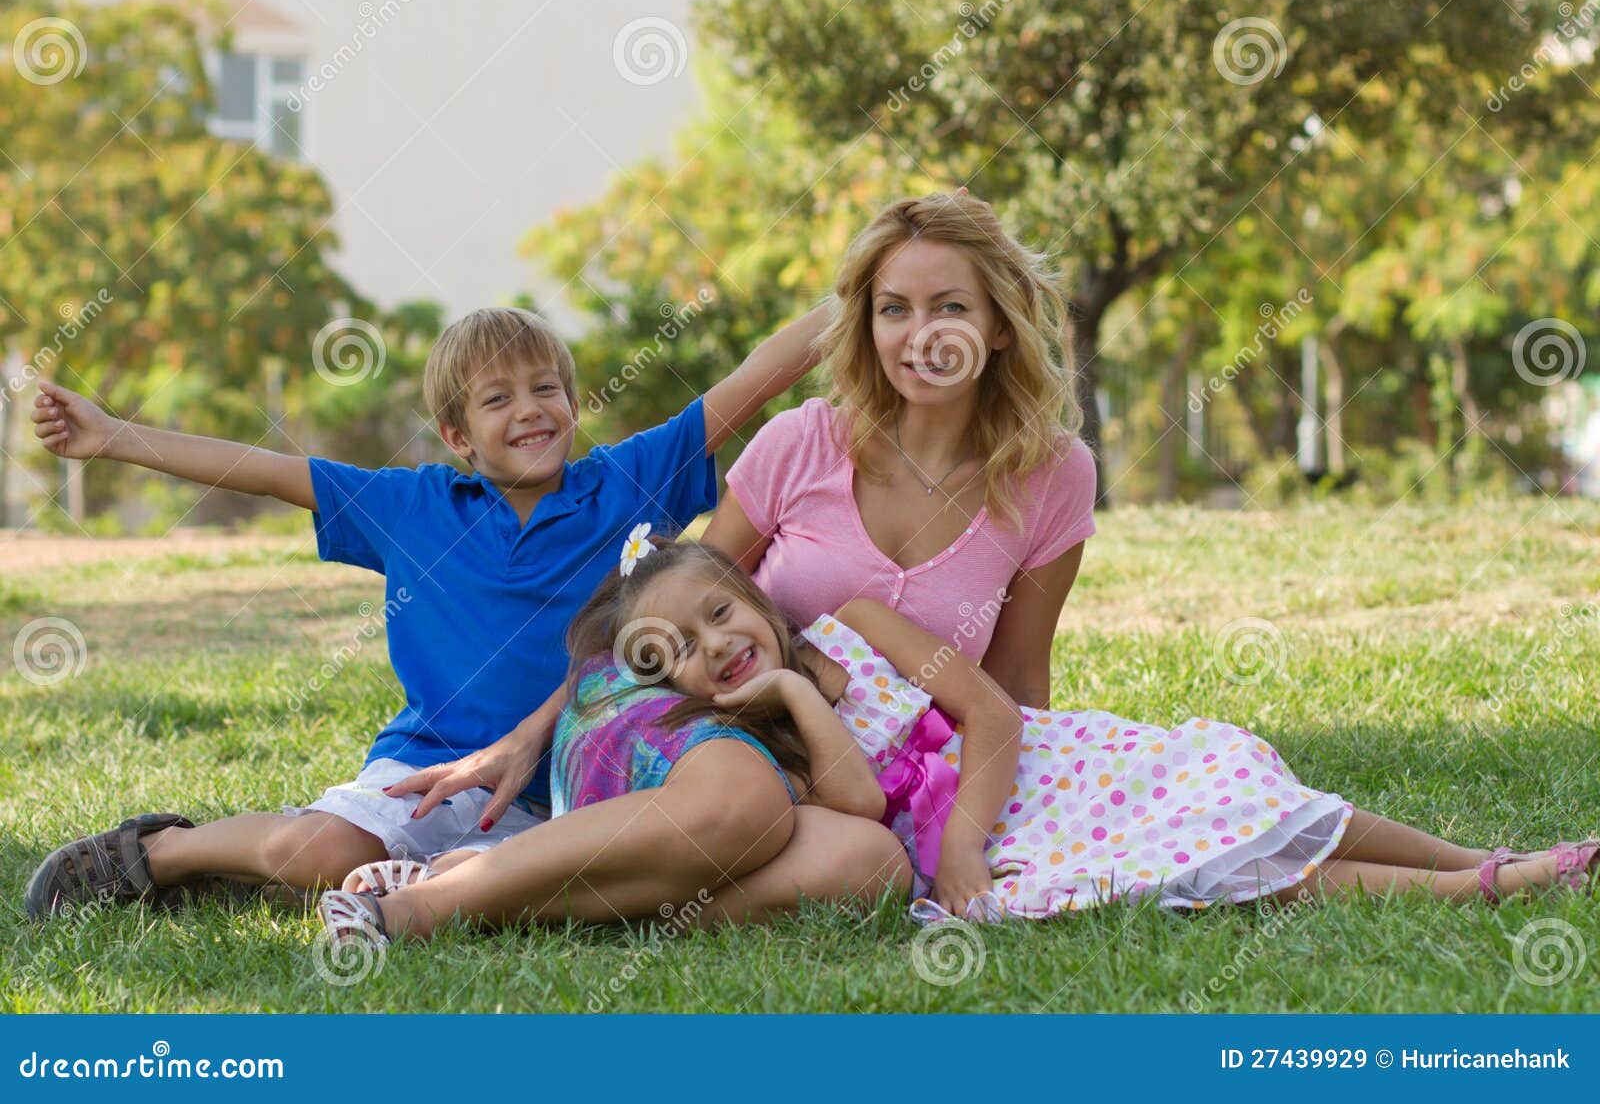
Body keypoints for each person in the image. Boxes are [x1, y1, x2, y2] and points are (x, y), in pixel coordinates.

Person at [318, 537, 1598, 949]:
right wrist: (796, 706)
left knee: (1244, 788)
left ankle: (1478, 851)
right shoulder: (753, 728)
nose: (717, 643)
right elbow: (865, 805)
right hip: (1006, 828)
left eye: (726, 612)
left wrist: (972, 831)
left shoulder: (862, 621)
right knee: (1239, 859)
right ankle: (1486, 882)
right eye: (688, 647)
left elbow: (986, 709)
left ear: (763, 600)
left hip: (1041, 768)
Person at [384, 191, 1097, 919]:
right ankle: (432, 908)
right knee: (748, 801)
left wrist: (988, 830)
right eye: (893, 309)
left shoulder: (1054, 476)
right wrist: (530, 735)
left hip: (826, 774)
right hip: (690, 706)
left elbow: (1014, 683)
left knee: (869, 863)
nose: (920, 337)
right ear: (865, 323)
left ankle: (506, 884)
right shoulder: (802, 442)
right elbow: (663, 606)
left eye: (950, 307)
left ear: (1000, 324)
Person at [24, 301, 828, 918]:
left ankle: (353, 886)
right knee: (305, 847)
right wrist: (114, 437)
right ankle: (166, 850)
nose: (530, 410)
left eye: (547, 388)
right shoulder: (415, 506)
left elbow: (756, 378)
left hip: (576, 790)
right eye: (497, 399)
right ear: (456, 433)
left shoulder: (627, 481)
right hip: (429, 769)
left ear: (576, 404)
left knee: (502, 894)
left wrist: (861, 295)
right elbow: (265, 471)